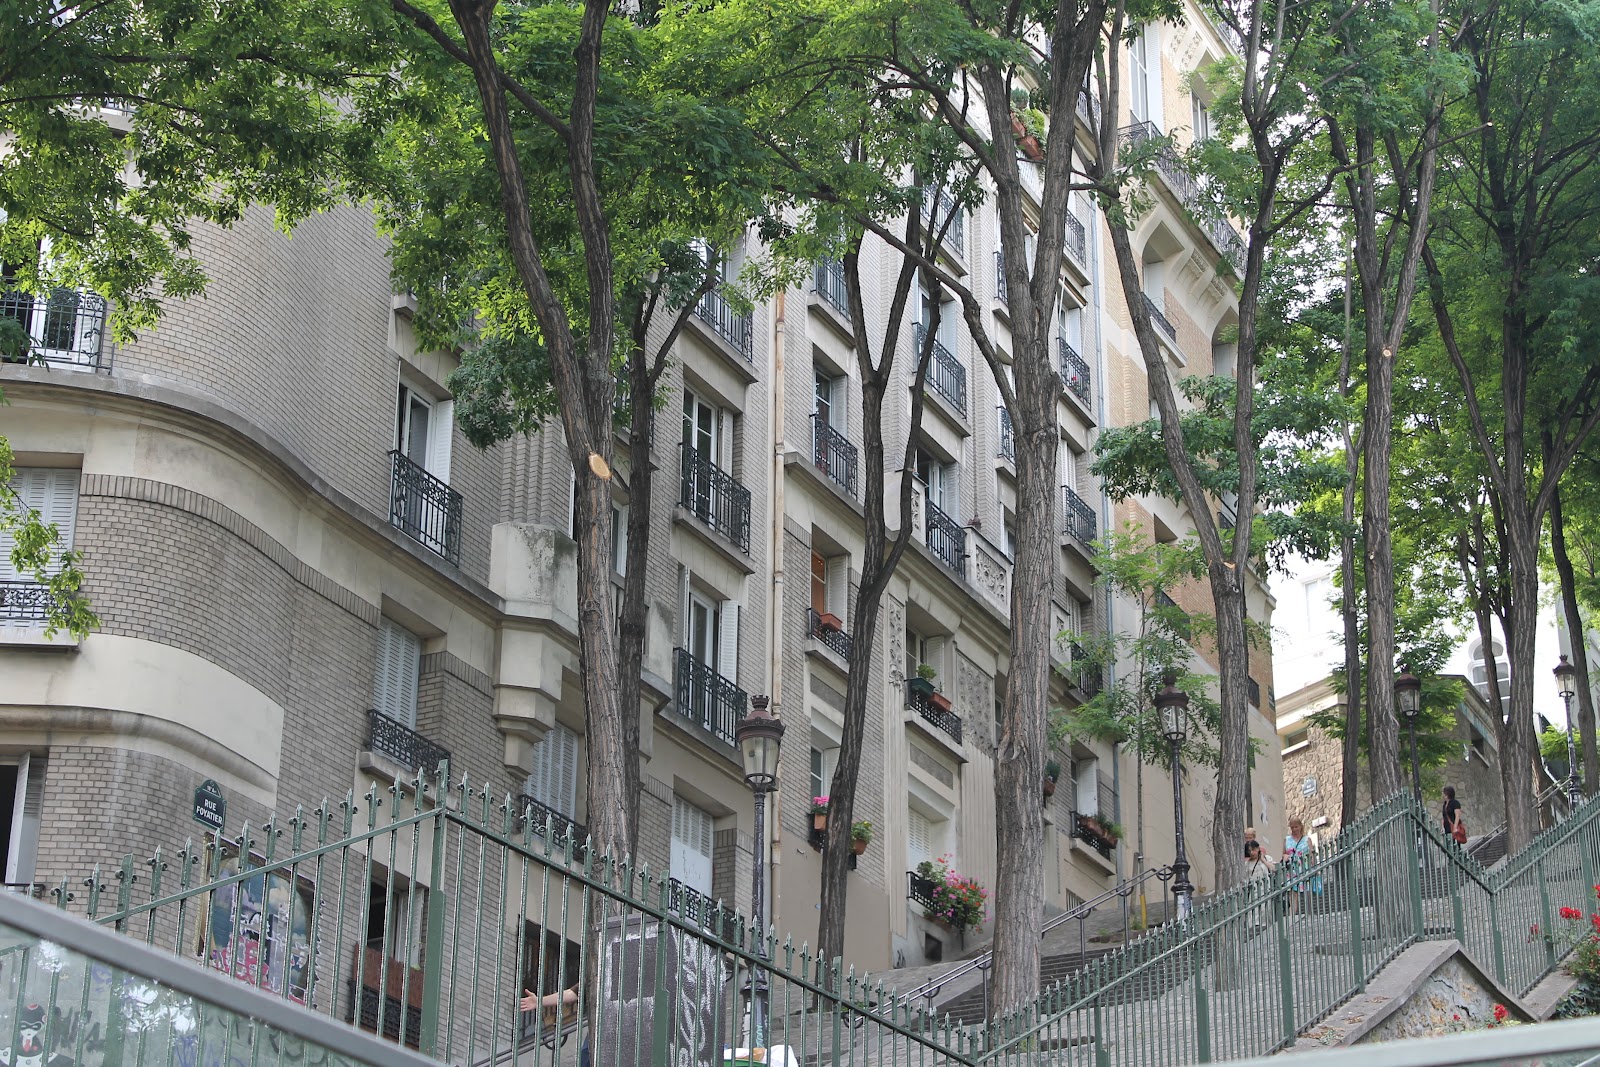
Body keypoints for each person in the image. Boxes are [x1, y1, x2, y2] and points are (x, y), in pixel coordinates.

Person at [521, 986, 586, 1066]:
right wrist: (539, 1001)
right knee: (586, 1056)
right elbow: (571, 993)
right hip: (594, 1035)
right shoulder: (593, 981)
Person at [1283, 818, 1321, 913]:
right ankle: (1292, 916)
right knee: (1293, 895)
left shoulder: (1307, 839)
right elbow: (1283, 854)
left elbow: (1311, 855)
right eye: (1292, 827)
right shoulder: (1287, 839)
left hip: (1305, 868)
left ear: (1300, 826)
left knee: (1307, 893)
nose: (1294, 829)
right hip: (1291, 870)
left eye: (1296, 827)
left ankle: (1309, 913)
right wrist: (1285, 857)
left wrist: (1315, 868)